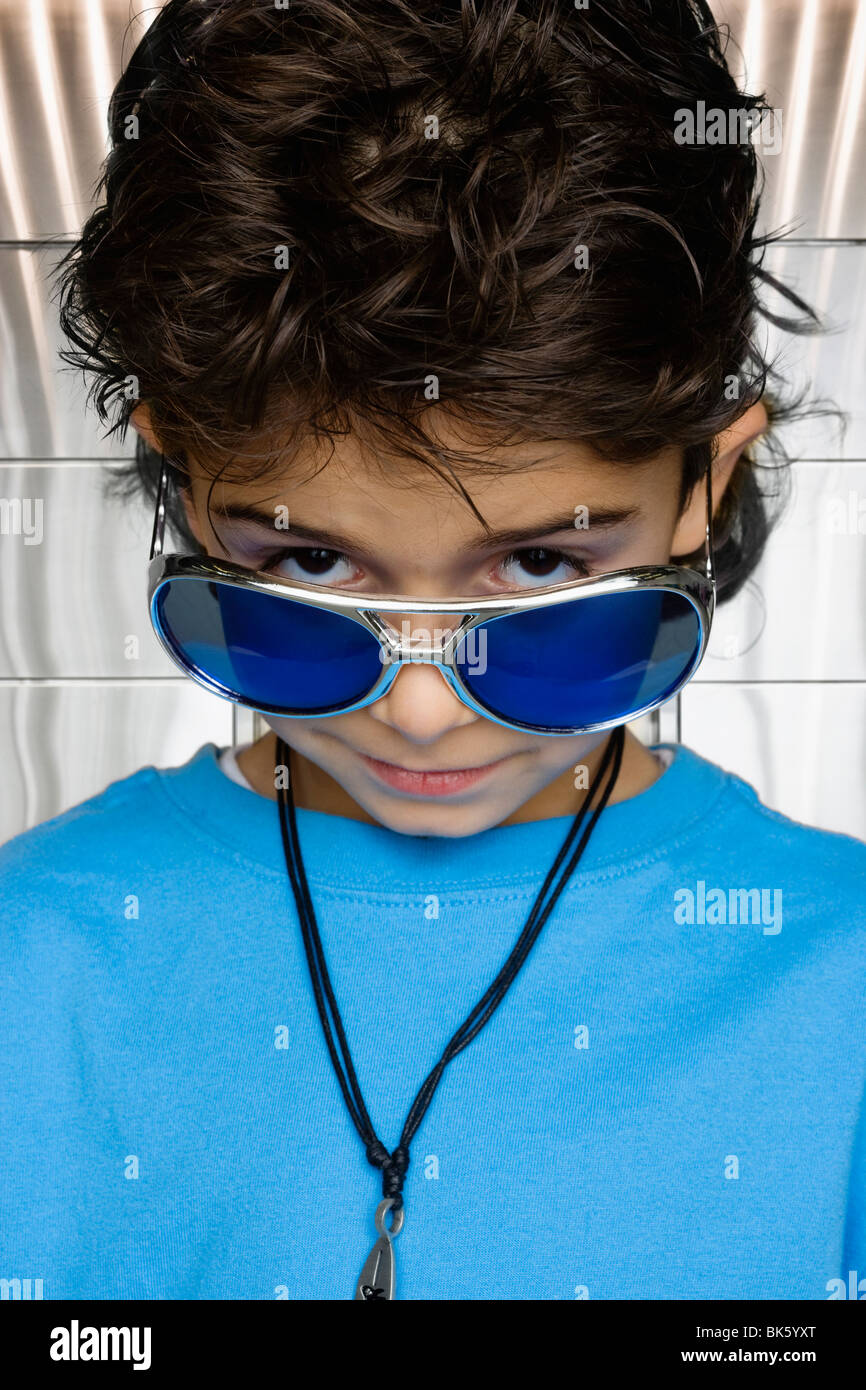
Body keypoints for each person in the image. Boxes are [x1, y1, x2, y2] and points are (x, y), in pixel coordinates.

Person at [1, 0, 864, 1302]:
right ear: (179, 471)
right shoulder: (31, 957)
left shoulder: (839, 978)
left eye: (538, 569)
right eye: (307, 567)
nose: (416, 713)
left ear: (703, 478)